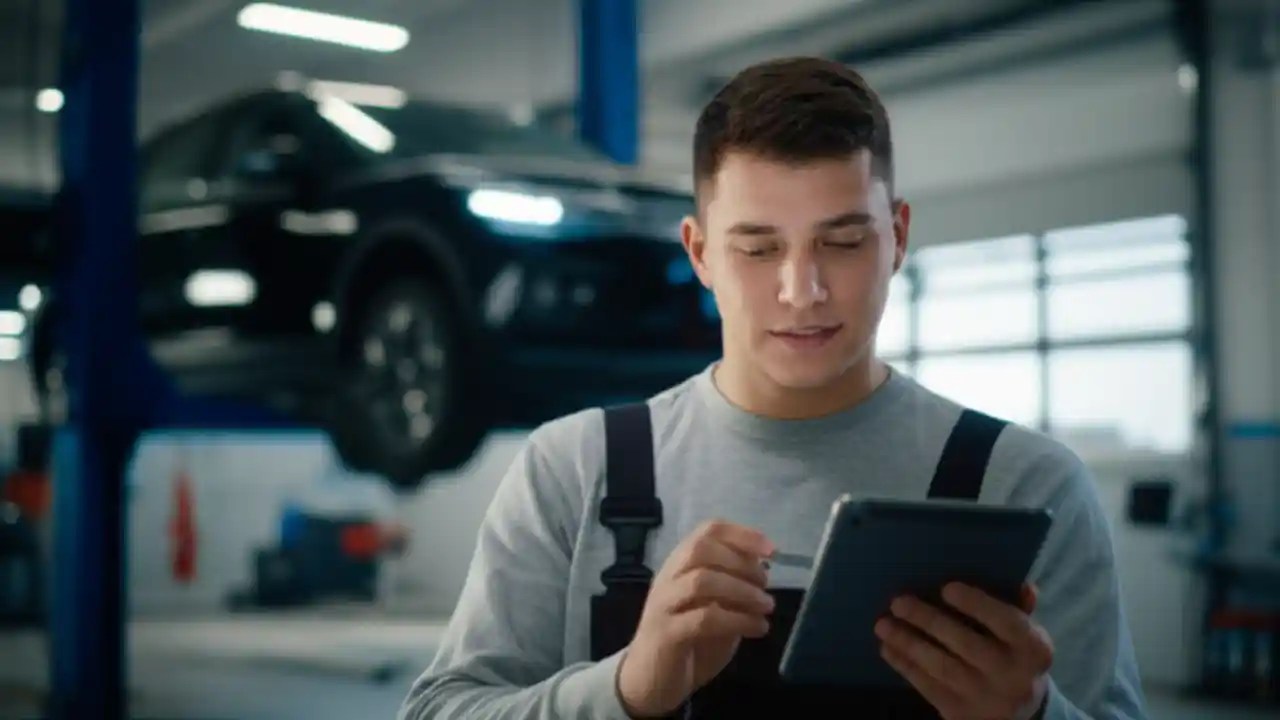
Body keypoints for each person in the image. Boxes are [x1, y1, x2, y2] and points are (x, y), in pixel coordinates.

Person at [399, 56, 1150, 719]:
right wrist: (626, 690)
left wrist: (1031, 715)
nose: (803, 290)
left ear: (899, 238)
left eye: (843, 241)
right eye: (758, 247)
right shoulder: (574, 472)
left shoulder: (1029, 488)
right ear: (699, 253)